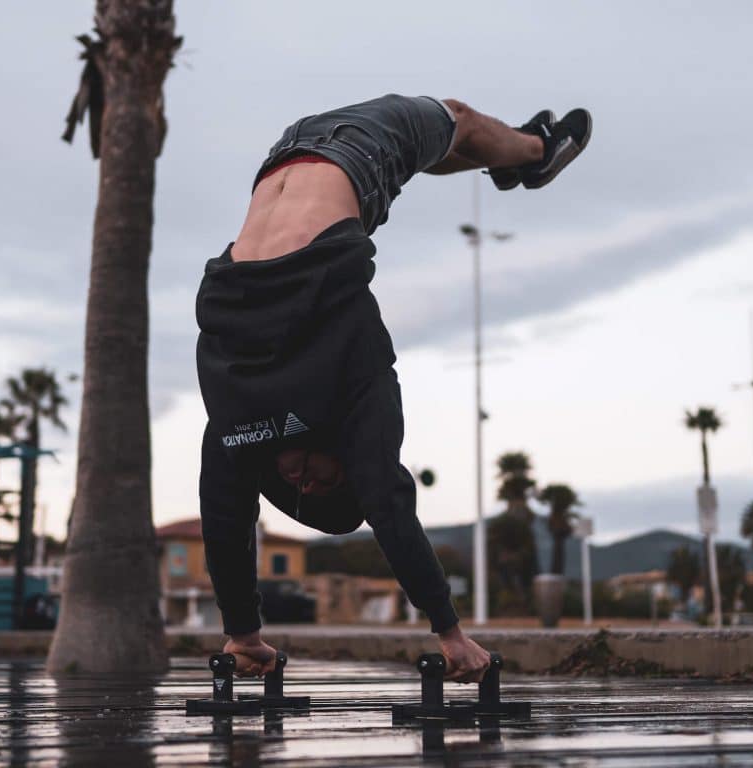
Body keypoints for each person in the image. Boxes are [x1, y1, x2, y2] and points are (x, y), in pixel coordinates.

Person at [196, 94, 591, 682]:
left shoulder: (238, 425)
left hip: (284, 153)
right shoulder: (355, 385)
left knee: (448, 139)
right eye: (325, 481)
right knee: (453, 119)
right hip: (359, 155)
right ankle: (537, 150)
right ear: (343, 455)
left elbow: (223, 519)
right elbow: (388, 501)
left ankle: (513, 160)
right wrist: (449, 631)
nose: (301, 480)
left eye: (298, 485)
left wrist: (243, 635)